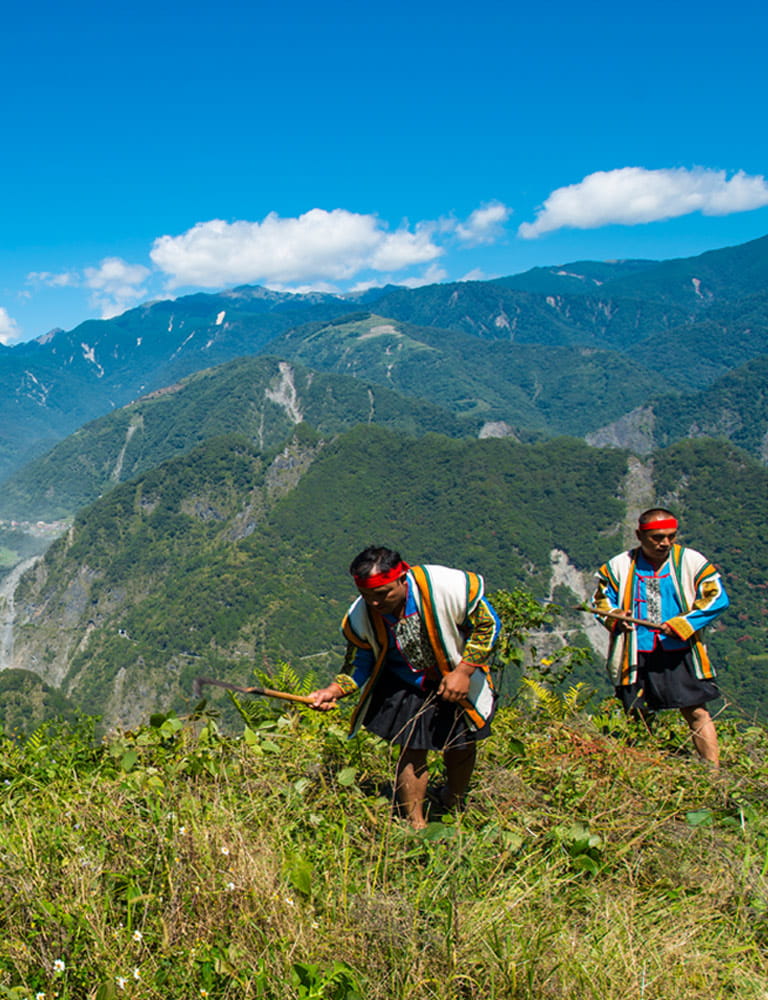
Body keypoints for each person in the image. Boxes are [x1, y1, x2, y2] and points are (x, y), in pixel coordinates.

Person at [310, 547, 501, 829]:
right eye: (367, 596)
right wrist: (333, 691)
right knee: (413, 749)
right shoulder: (361, 617)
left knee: (461, 745)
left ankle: (454, 801)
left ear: (403, 578)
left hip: (455, 676)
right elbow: (359, 661)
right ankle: (414, 824)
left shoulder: (446, 588)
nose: (375, 603)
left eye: (383, 593)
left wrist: (463, 672)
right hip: (405, 682)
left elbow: (488, 625)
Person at [592, 508, 729, 766]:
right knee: (636, 713)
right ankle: (648, 768)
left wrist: (683, 622)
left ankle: (713, 772)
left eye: (670, 536)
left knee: (696, 711)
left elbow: (717, 598)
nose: (664, 543)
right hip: (635, 651)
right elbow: (599, 601)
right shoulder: (618, 566)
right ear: (640, 536)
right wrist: (615, 615)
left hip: (680, 651)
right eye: (657, 537)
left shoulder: (691, 562)